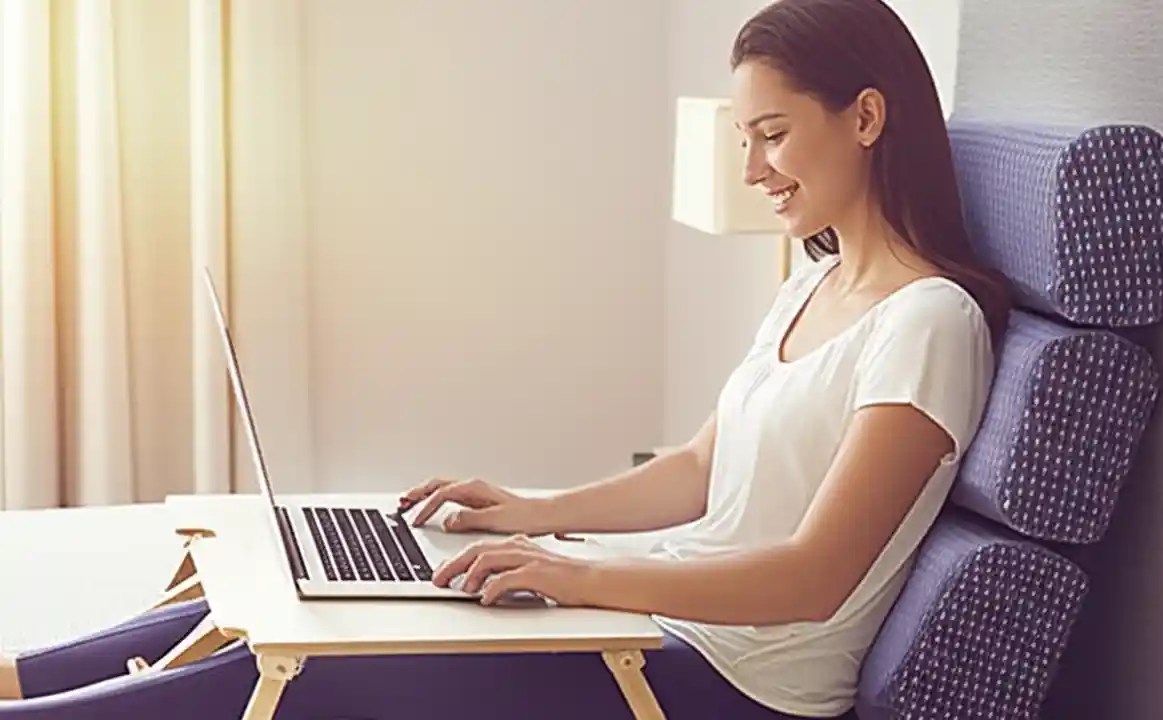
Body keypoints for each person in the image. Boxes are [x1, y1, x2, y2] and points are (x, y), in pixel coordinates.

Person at [0, 0, 1010, 717]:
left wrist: (580, 577)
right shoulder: (810, 285)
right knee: (254, 600)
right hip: (650, 626)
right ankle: (20, 678)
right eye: (744, 137)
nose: (751, 169)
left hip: (725, 679)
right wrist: (533, 512)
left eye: (772, 135)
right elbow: (701, 470)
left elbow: (812, 579)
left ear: (864, 117)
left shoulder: (927, 322)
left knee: (311, 671)